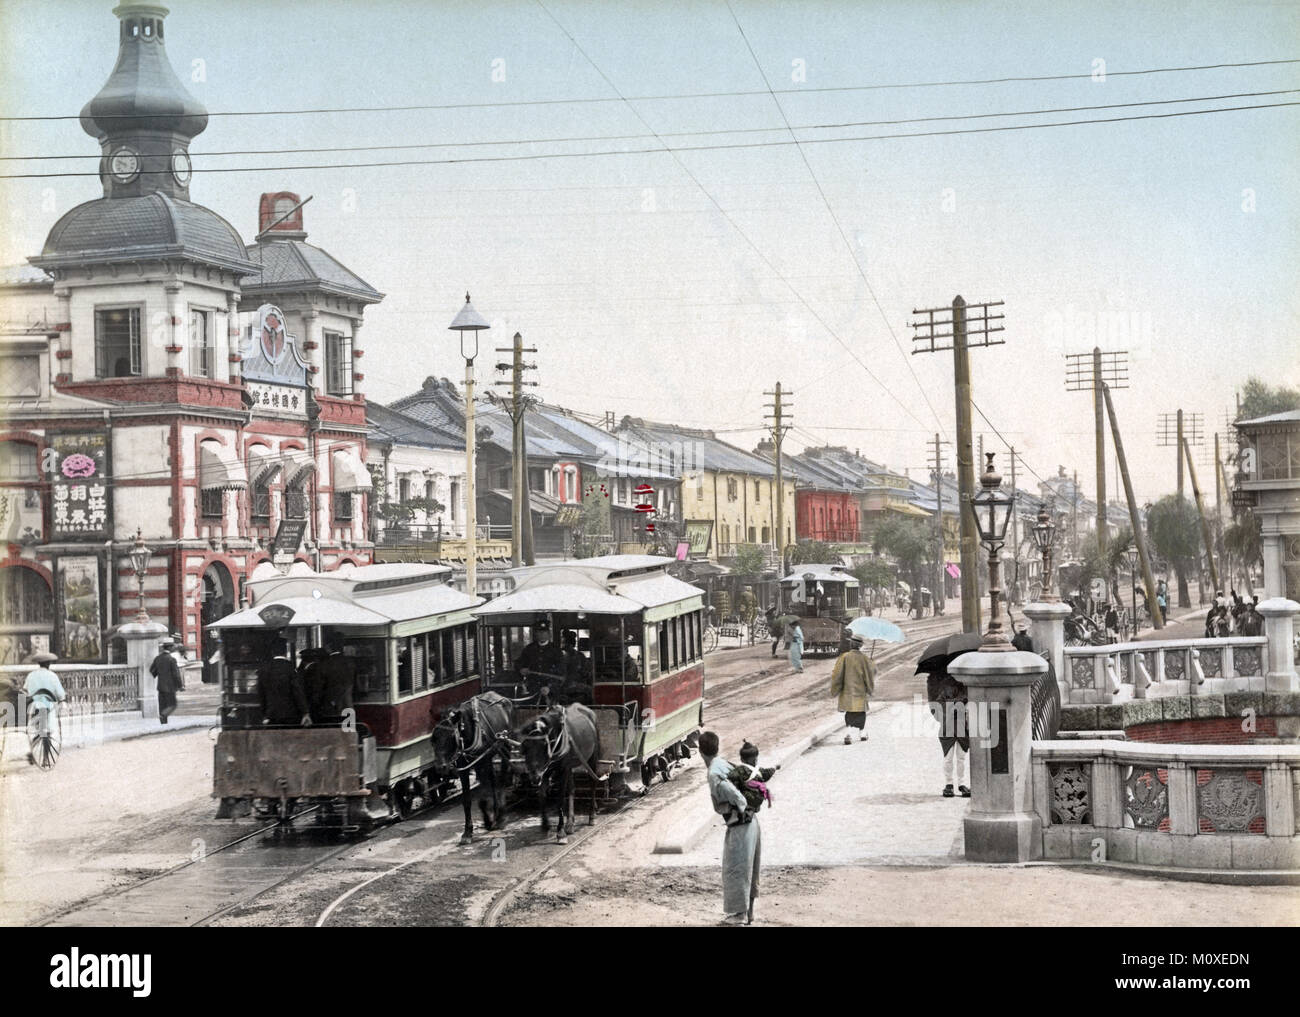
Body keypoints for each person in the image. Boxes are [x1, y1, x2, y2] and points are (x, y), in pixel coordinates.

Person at [699, 730, 760, 926]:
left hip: (742, 822)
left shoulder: (714, 773)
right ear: (717, 748)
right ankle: (748, 913)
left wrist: (742, 808)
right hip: (751, 822)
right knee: (748, 867)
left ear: (701, 752)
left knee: (736, 867)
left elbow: (733, 793)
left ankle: (739, 916)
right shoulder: (722, 762)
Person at [928, 669, 970, 798]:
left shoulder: (967, 688)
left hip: (962, 727)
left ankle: (961, 783)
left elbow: (970, 704)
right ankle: (949, 783)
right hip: (949, 726)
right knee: (948, 757)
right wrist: (955, 705)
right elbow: (938, 705)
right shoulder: (945, 688)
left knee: (961, 757)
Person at [830, 633, 874, 744]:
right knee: (860, 712)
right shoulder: (865, 659)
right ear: (861, 646)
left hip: (847, 691)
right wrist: (870, 688)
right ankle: (862, 733)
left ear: (851, 644)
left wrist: (835, 688)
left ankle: (848, 733)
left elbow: (837, 674)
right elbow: (870, 675)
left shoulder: (844, 657)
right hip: (860, 691)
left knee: (849, 712)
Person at [23, 653, 66, 762]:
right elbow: (60, 692)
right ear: (48, 664)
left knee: (40, 732)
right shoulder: (52, 676)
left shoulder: (31, 675)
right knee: (47, 732)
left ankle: (33, 752)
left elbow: (25, 690)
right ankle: (45, 758)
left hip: (34, 706)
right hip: (48, 706)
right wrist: (62, 700)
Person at [258, 640, 311, 725]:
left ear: (272, 652)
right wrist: (305, 712)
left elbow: (261, 693)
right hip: (290, 713)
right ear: (285, 652)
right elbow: (297, 691)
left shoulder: (264, 669)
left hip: (271, 713)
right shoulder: (290, 667)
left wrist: (264, 714)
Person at [514, 621, 566, 700]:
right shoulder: (529, 649)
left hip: (551, 692)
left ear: (548, 634)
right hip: (533, 689)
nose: (542, 635)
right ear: (536, 634)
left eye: (544, 632)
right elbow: (518, 663)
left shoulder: (556, 650)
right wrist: (521, 669)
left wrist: (550, 687)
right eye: (540, 632)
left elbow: (561, 672)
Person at [729, 740, 778, 811]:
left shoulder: (740, 770)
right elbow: (767, 773)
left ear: (742, 759)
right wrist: (775, 767)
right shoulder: (759, 770)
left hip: (747, 800)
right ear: (756, 759)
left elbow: (731, 777)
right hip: (759, 799)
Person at [150, 641, 184, 725]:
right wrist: (180, 686)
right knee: (172, 705)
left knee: (163, 705)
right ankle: (163, 715)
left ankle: (163, 724)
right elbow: (176, 674)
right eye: (172, 647)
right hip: (170, 687)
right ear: (169, 648)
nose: (173, 648)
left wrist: (158, 674)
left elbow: (152, 670)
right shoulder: (171, 659)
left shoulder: (157, 658)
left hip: (160, 686)